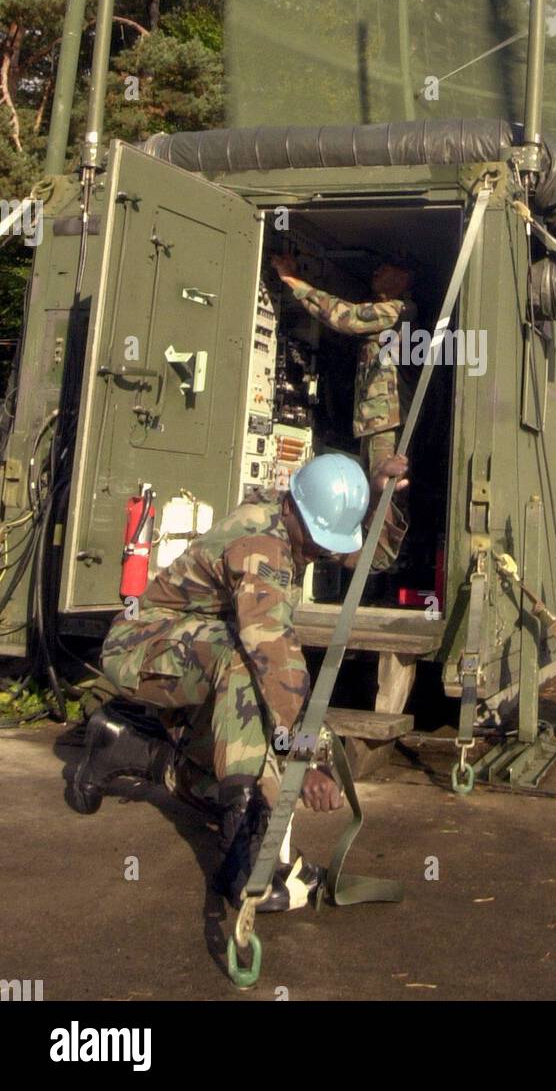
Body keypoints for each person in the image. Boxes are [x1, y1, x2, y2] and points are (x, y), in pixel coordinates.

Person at [69, 452, 409, 908]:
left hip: (196, 654)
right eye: (316, 541)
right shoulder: (260, 547)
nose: (318, 554)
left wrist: (375, 499)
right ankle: (241, 855)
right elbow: (269, 650)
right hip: (142, 647)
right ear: (293, 509)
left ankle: (125, 746)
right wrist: (303, 759)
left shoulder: (298, 517)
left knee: (227, 774)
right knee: (247, 668)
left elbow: (367, 558)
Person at [272, 254, 417, 480]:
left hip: (385, 425)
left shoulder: (397, 311)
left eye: (384, 265)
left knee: (383, 492)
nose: (376, 270)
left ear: (403, 277)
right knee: (375, 491)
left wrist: (293, 280)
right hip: (378, 422)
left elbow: (345, 317)